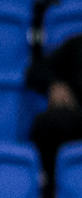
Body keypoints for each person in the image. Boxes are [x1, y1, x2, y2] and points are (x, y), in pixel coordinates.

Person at [28, 31, 82, 174]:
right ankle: (53, 186)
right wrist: (54, 84)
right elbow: (36, 70)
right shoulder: (77, 45)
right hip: (76, 116)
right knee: (46, 124)